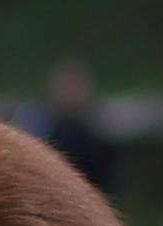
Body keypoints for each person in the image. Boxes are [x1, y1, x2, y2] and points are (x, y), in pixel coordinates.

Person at [37, 58, 122, 197]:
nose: (70, 93)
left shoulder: (97, 134)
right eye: (66, 86)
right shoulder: (42, 127)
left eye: (75, 86)